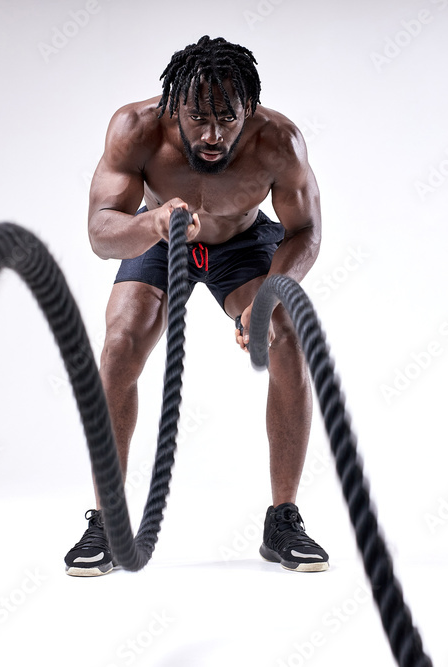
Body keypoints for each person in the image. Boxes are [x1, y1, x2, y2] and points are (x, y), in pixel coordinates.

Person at [65, 35, 327, 576]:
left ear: (247, 110)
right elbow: (100, 233)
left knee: (289, 337)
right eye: (197, 117)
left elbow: (305, 232)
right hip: (161, 239)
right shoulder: (134, 129)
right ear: (172, 106)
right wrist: (151, 222)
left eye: (226, 119)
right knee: (119, 343)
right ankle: (106, 520)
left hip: (245, 245)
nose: (212, 135)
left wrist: (271, 295)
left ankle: (283, 518)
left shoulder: (279, 141)